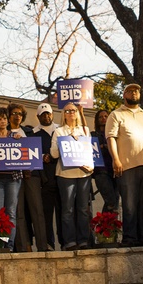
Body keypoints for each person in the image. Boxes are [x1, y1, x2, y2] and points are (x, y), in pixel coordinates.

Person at [105, 83, 143, 247]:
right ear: (124, 94)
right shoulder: (115, 115)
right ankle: (130, 237)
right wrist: (116, 159)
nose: (134, 93)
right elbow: (110, 138)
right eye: (130, 91)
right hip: (126, 165)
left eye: (137, 91)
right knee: (129, 205)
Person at [50, 103, 94, 250]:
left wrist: (91, 167)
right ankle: (69, 242)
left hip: (83, 174)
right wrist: (66, 140)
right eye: (67, 111)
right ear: (63, 114)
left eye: (73, 110)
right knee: (67, 209)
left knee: (82, 209)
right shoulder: (58, 131)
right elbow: (54, 154)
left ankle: (83, 240)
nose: (70, 113)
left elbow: (90, 152)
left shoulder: (85, 130)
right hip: (65, 174)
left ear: (77, 113)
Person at [9, 102, 48, 252]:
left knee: (37, 210)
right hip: (14, 176)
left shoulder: (30, 131)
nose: (17, 116)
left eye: (19, 114)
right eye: (14, 113)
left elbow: (36, 151)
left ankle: (42, 246)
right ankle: (23, 246)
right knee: (18, 212)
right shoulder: (5, 132)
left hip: (32, 175)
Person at [0, 107, 23, 247]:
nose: (2, 121)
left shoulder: (14, 136)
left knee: (11, 212)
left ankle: (9, 244)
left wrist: (19, 141)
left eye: (4, 119)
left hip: (13, 178)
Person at [32, 103, 60, 248]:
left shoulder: (60, 130)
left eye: (48, 113)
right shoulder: (33, 133)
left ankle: (65, 242)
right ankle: (49, 243)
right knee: (46, 214)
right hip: (45, 179)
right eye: (43, 115)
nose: (46, 116)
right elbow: (31, 153)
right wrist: (42, 156)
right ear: (38, 116)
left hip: (61, 176)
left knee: (63, 213)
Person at [91, 109, 118, 213]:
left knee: (114, 203)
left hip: (115, 171)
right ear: (97, 120)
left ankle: (108, 228)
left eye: (106, 116)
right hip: (101, 171)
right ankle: (106, 227)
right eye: (101, 117)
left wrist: (105, 146)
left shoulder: (114, 134)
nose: (103, 118)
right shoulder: (93, 135)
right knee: (111, 201)